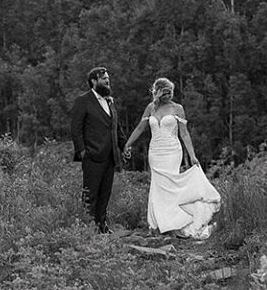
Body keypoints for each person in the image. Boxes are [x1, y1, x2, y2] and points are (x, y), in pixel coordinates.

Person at [122, 77, 221, 239]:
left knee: (170, 186)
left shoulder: (177, 108)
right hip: (155, 152)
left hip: (172, 152)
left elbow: (184, 133)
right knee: (157, 186)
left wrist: (192, 156)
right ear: (157, 92)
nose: (168, 96)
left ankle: (175, 224)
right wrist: (128, 144)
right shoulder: (150, 108)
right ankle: (158, 224)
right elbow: (140, 128)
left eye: (170, 93)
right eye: (165, 93)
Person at [69, 66, 122, 232]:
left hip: (110, 156)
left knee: (105, 193)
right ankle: (87, 228)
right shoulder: (83, 100)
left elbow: (116, 127)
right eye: (104, 78)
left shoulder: (109, 101)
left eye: (108, 79)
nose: (107, 81)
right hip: (92, 155)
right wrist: (83, 152)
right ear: (94, 81)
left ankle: (101, 225)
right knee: (90, 194)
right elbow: (76, 128)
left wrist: (124, 146)